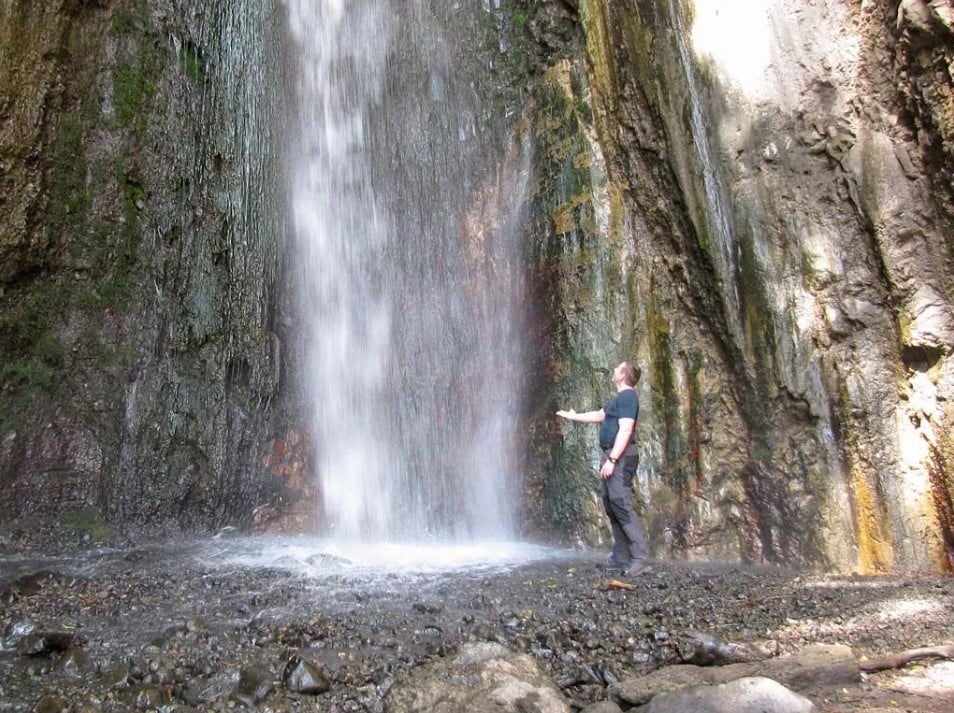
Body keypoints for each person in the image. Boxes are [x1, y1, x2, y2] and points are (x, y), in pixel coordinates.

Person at [556, 361, 651, 576]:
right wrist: (574, 416)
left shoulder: (628, 397)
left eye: (617, 369)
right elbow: (600, 415)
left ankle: (640, 558)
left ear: (623, 375)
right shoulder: (619, 398)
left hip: (621, 456)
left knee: (621, 504)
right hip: (611, 455)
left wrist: (613, 459)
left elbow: (625, 430)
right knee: (611, 504)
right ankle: (621, 556)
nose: (613, 371)